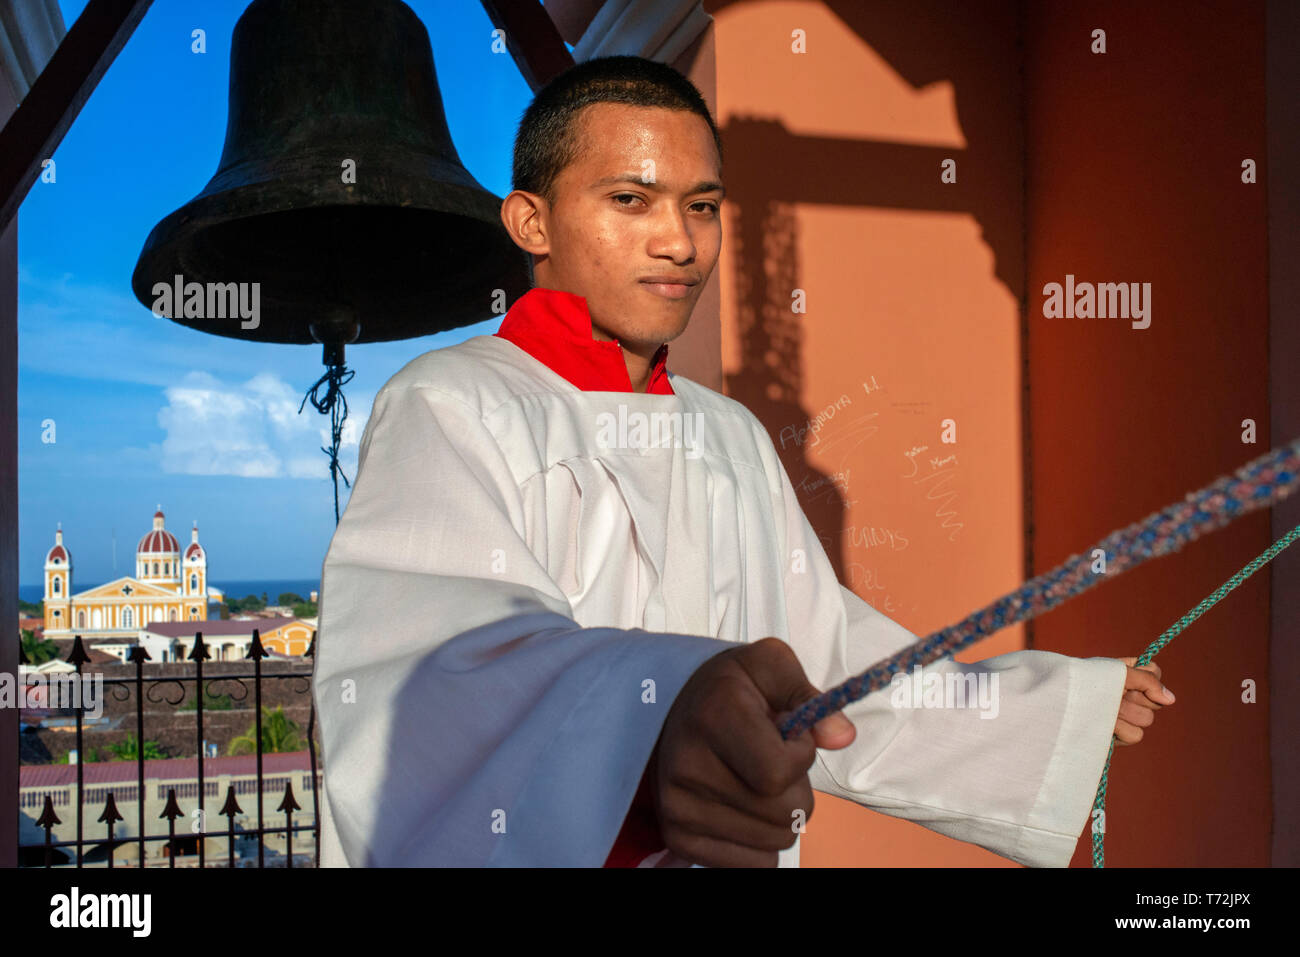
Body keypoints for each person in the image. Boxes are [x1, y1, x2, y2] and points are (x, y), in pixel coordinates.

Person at [311, 55, 1174, 868]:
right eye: (630, 199)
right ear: (531, 221)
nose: (680, 243)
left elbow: (826, 661)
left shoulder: (729, 435)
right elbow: (441, 663)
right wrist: (659, 718)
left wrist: (1044, 715)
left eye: (702, 205)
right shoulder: (455, 401)